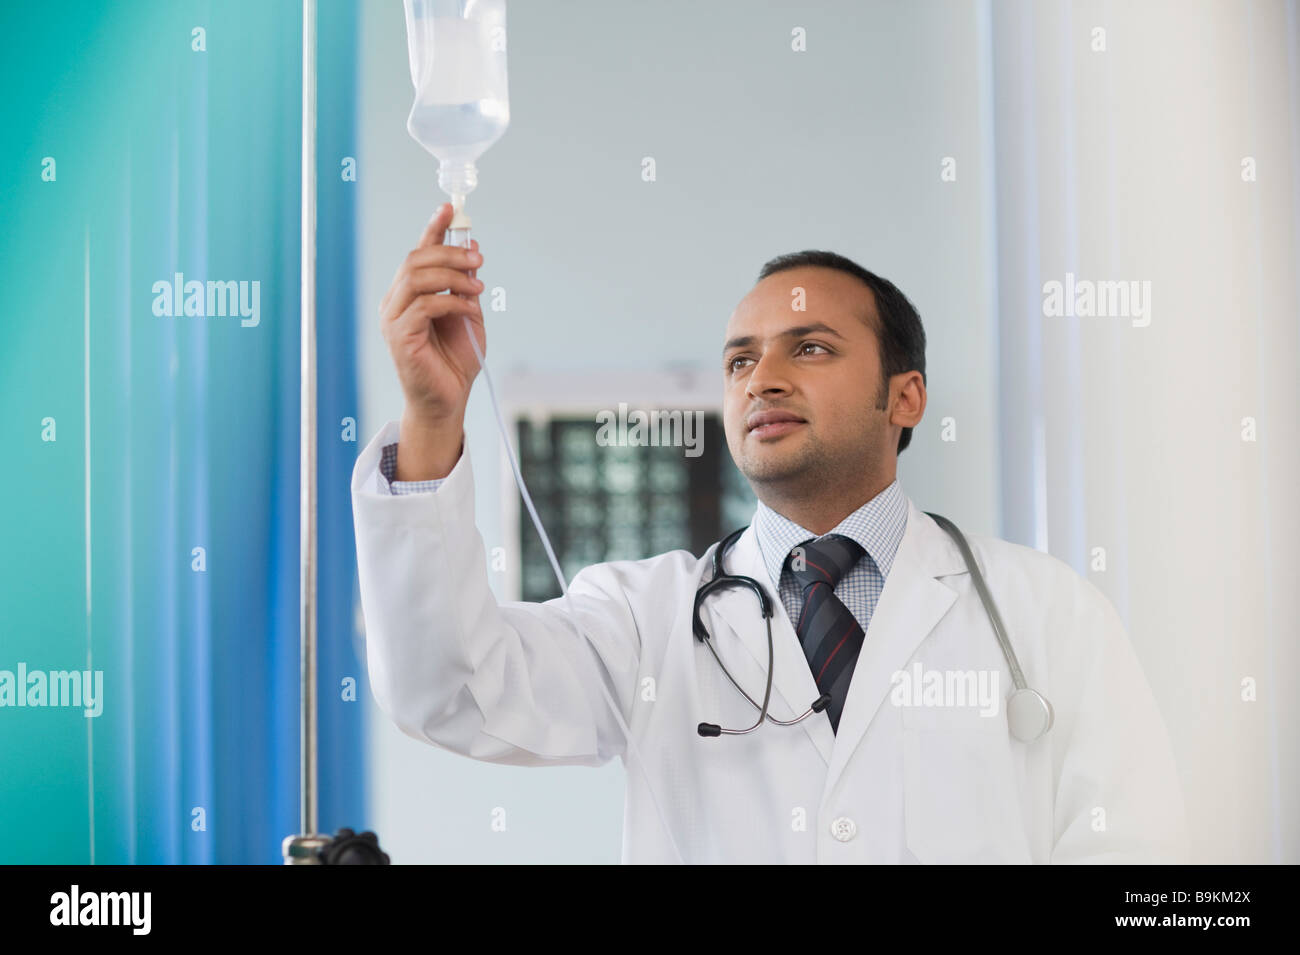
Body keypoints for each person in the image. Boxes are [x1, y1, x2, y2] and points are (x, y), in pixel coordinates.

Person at [351, 202, 1190, 864]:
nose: (764, 378)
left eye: (812, 348)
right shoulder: (646, 620)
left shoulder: (1046, 615)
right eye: (740, 359)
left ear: (906, 397)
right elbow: (449, 691)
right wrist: (432, 417)